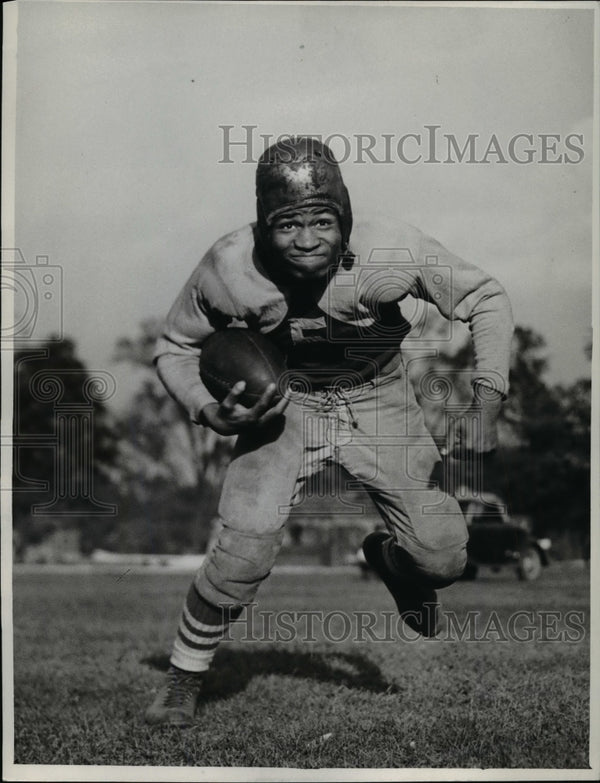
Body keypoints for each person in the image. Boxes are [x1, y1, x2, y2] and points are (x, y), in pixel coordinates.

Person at [145, 136, 513, 726]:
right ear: (263, 225)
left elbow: (485, 295)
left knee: (443, 557)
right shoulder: (229, 267)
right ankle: (183, 678)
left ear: (344, 215)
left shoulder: (392, 247)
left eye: (323, 220)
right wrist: (206, 410)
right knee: (244, 546)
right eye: (288, 224)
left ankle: (392, 561)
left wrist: (488, 399)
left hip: (379, 393)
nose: (308, 238)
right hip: (286, 402)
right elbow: (175, 347)